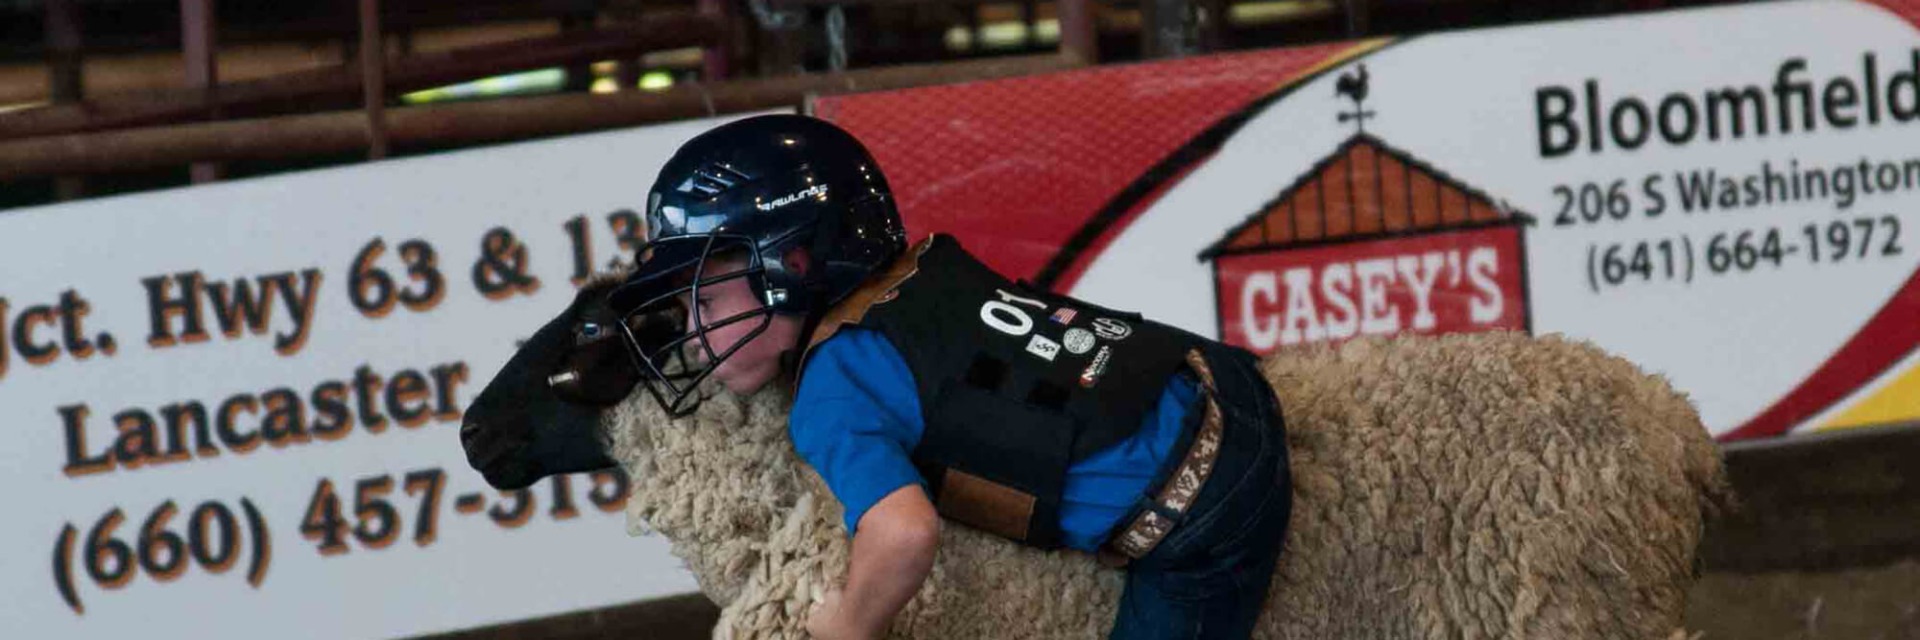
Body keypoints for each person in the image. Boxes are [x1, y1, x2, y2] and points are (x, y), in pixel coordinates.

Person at [609, 114, 1293, 640]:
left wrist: (848, 622)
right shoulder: (915, 278)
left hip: (1211, 502)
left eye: (705, 301)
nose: (694, 338)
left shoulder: (830, 397)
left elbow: (905, 533)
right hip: (1215, 376)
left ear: (793, 265)